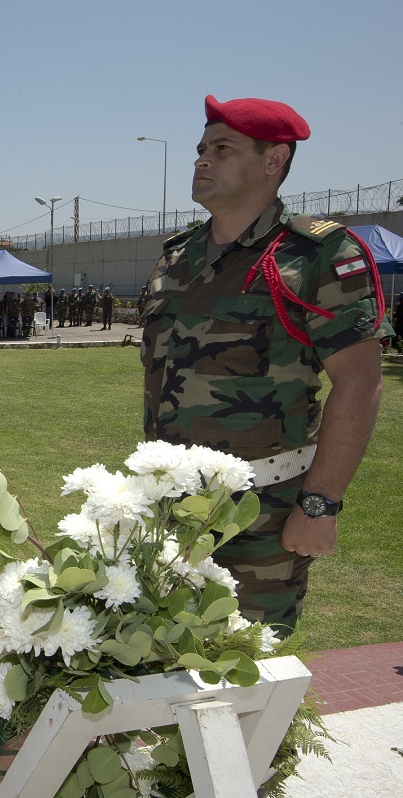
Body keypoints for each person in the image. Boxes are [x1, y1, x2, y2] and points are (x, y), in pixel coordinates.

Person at [142, 95, 391, 634]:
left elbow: (360, 384)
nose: (202, 160)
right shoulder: (175, 257)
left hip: (262, 515)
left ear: (273, 160)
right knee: (157, 663)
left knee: (245, 670)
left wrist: (320, 504)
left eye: (223, 149)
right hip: (165, 509)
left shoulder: (316, 256)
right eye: (201, 149)